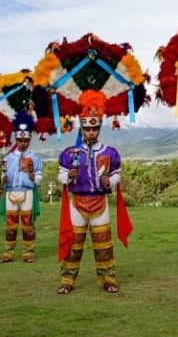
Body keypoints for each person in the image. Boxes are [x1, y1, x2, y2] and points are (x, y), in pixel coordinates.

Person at [56, 90, 131, 294]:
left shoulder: (109, 152)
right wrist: (69, 176)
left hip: (100, 201)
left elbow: (117, 175)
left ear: (99, 128)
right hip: (77, 202)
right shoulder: (70, 153)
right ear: (82, 128)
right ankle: (67, 280)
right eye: (87, 129)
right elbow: (60, 177)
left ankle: (108, 279)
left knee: (103, 243)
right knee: (74, 243)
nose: (91, 132)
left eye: (94, 129)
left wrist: (110, 181)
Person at [0, 112, 42, 263]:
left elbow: (39, 176)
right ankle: (8, 253)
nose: (23, 143)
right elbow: (3, 177)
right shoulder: (8, 158)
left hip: (27, 193)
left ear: (29, 140)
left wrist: (34, 177)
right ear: (16, 139)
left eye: (25, 140)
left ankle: (28, 253)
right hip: (11, 193)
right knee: (11, 225)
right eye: (20, 140)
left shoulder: (34, 157)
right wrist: (2, 178)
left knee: (28, 224)